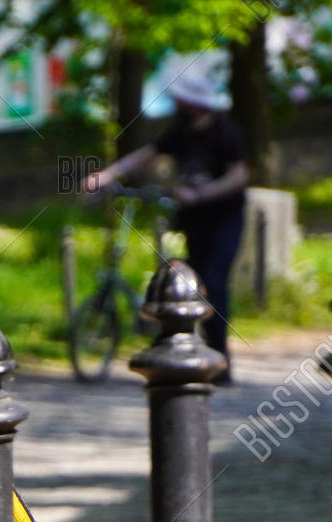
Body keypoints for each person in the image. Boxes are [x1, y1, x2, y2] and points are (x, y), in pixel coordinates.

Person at [83, 73, 248, 383]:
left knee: (214, 280)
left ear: (195, 103)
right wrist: (106, 176)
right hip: (193, 220)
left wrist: (200, 193)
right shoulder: (181, 132)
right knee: (194, 283)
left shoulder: (226, 133)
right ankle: (188, 348)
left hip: (225, 219)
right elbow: (146, 156)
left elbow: (238, 176)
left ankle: (221, 357)